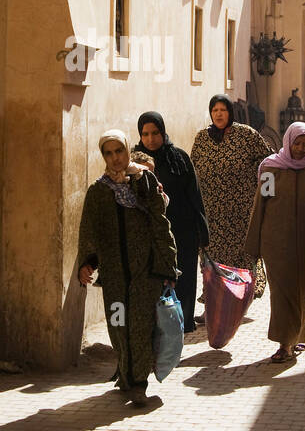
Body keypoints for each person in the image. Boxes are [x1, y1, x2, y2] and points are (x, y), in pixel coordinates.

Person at [76, 129, 178, 406]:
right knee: (119, 325)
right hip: (115, 275)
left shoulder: (144, 182)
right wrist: (87, 263)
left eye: (119, 151)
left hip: (145, 271)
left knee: (141, 326)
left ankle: (138, 383)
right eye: (108, 153)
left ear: (126, 151)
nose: (115, 158)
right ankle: (127, 370)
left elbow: (160, 223)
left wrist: (168, 264)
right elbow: (89, 231)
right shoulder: (98, 191)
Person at [245, 121, 305, 363]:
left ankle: (297, 335)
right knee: (283, 292)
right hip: (276, 242)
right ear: (288, 142)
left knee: (303, 290)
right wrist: (254, 242)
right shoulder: (271, 169)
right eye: (296, 143)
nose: (300, 148)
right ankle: (284, 344)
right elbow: (262, 203)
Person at [190, 94, 273, 298]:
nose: (218, 114)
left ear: (230, 112)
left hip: (240, 212)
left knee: (240, 258)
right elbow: (193, 168)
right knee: (212, 258)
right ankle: (213, 302)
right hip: (211, 213)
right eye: (214, 110)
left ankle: (238, 301)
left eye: (223, 110)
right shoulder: (202, 138)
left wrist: (264, 192)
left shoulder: (245, 135)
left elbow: (269, 161)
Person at [136, 111, 210, 334]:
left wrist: (201, 230)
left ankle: (183, 322)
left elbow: (194, 195)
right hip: (151, 233)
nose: (151, 139)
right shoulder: (135, 162)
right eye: (145, 134)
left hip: (182, 230)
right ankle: (158, 325)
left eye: (155, 133)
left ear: (163, 132)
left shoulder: (179, 158)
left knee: (184, 277)